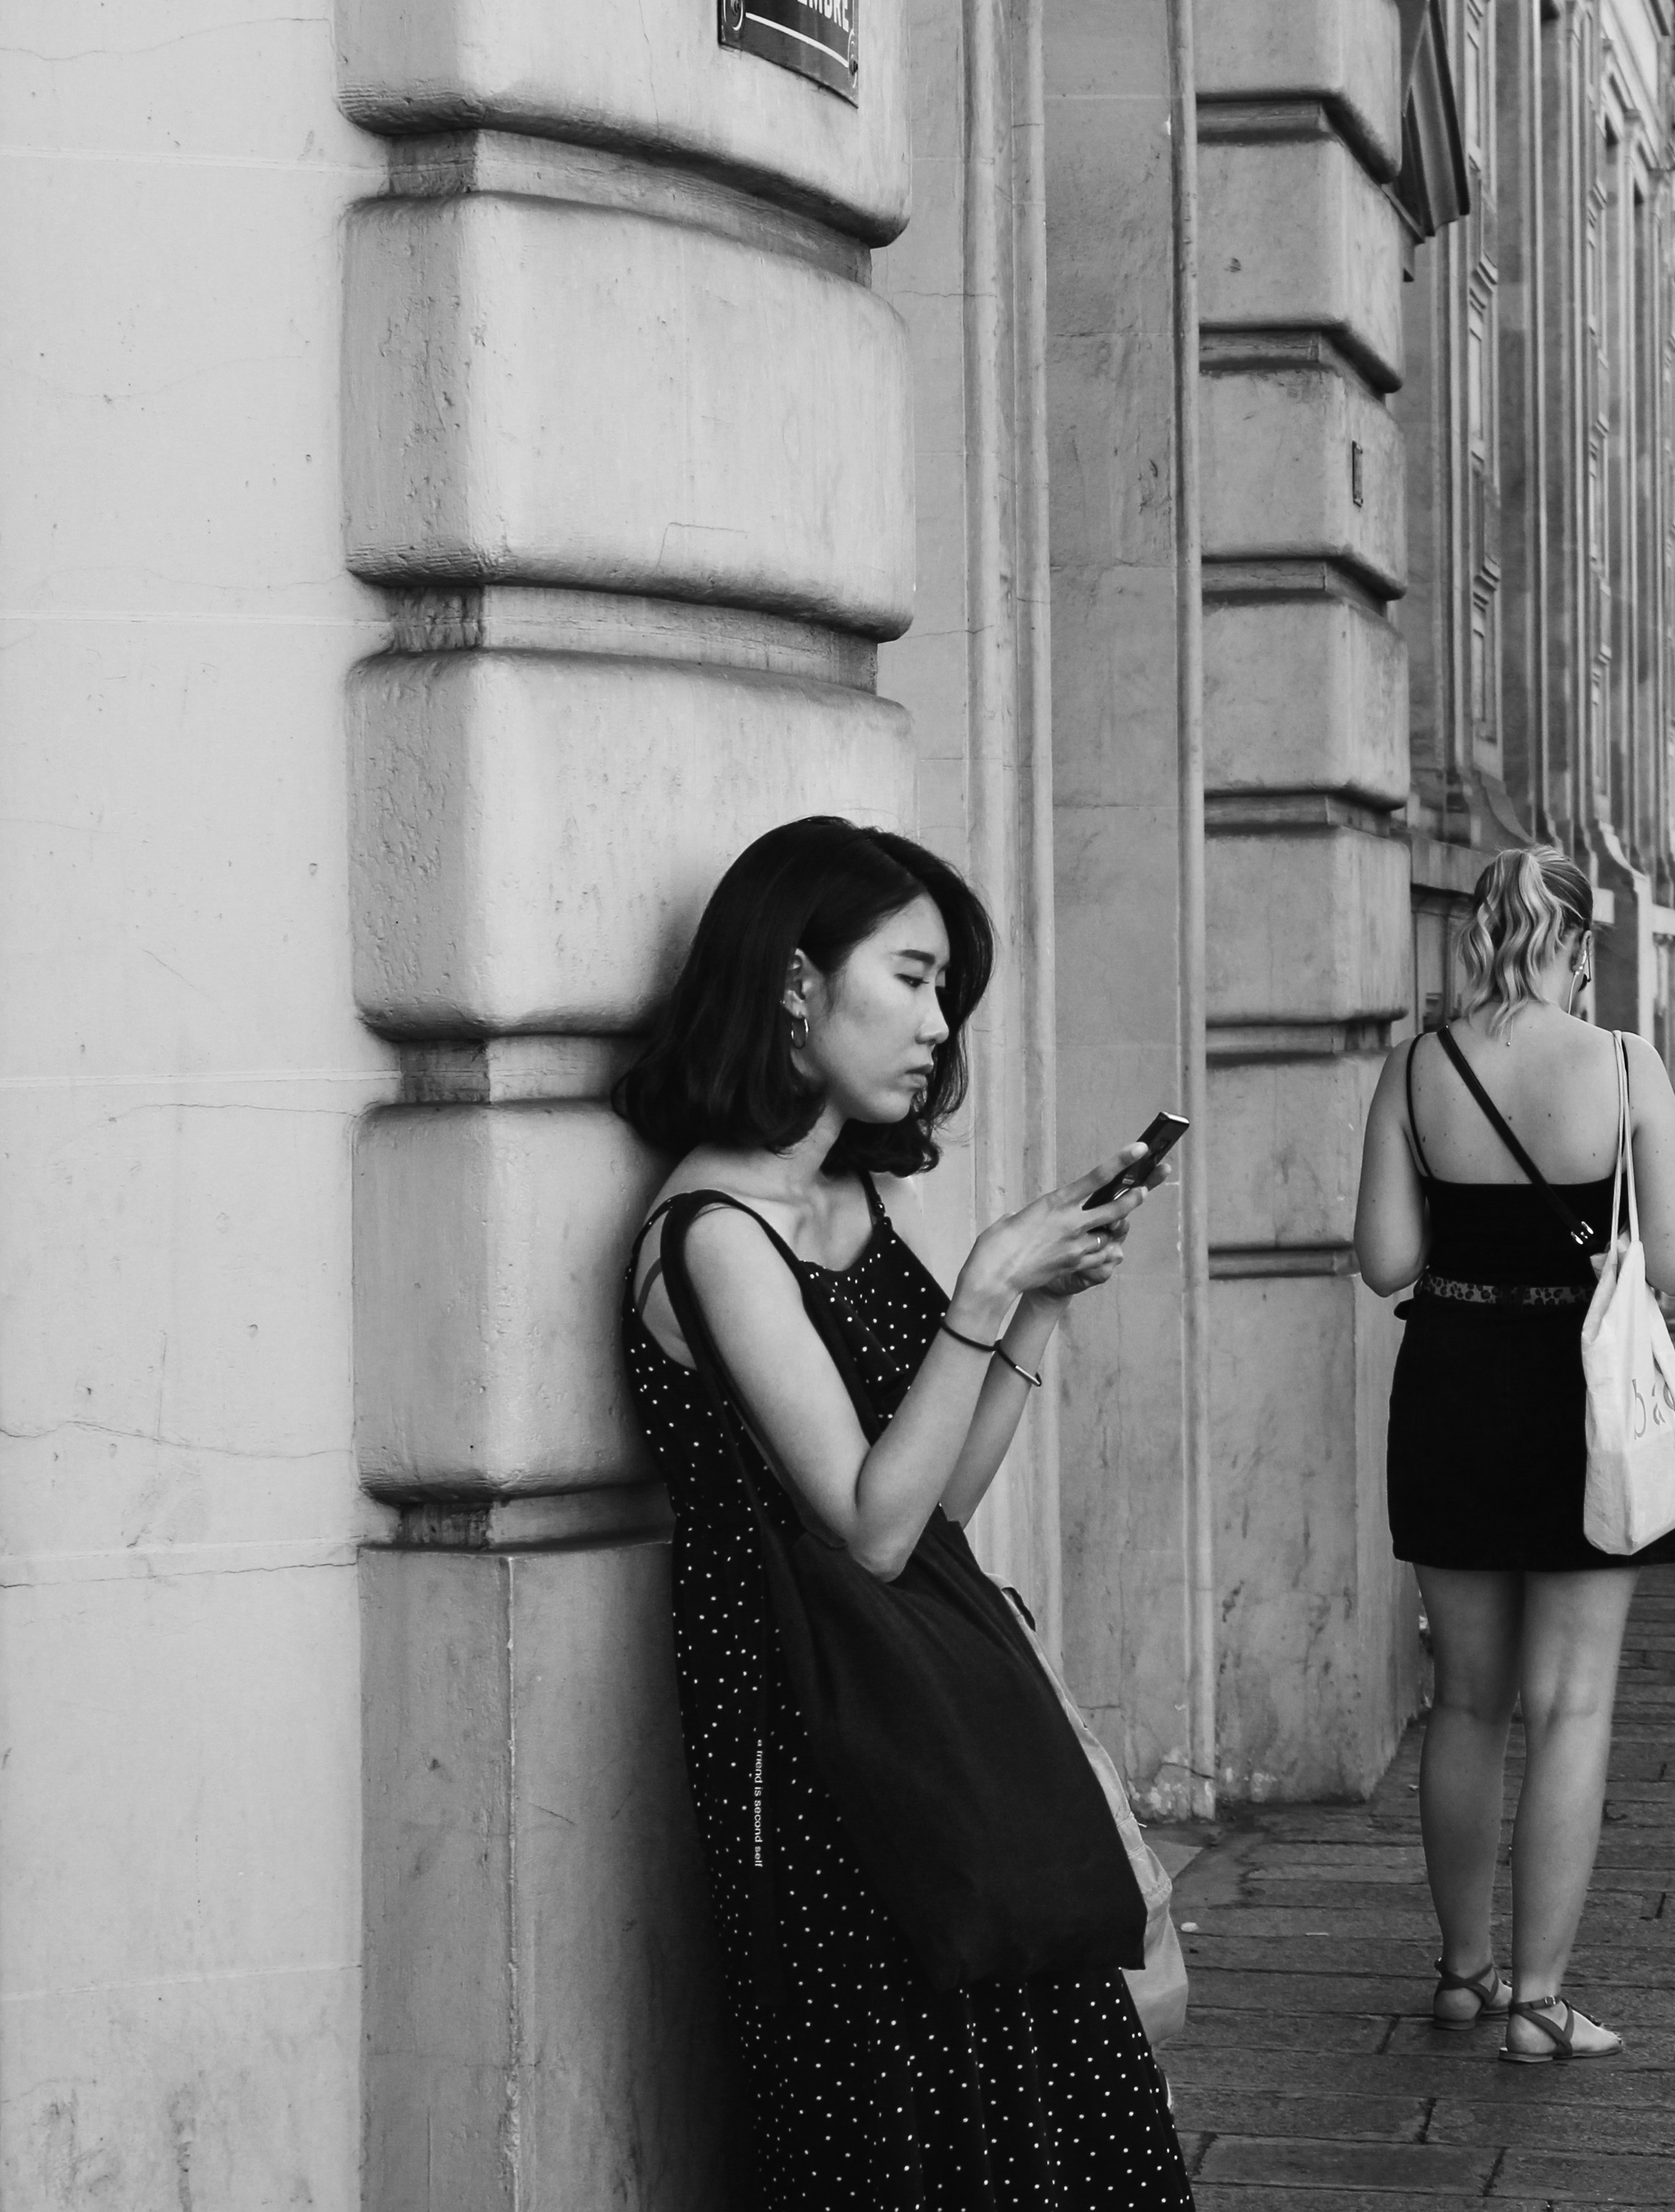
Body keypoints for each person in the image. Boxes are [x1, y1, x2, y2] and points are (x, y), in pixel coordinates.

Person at [612, 817, 1194, 2209]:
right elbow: (865, 1528)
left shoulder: (849, 1194)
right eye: (914, 978)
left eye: (948, 993)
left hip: (923, 1698)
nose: (939, 1024)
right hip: (813, 1741)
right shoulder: (712, 1231)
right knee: (896, 2111)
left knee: (1039, 2074)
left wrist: (1037, 1300)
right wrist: (987, 1285)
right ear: (798, 984)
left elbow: (939, 1501)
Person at [1353, 848, 1675, 2066]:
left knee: (1464, 1699)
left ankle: (1462, 1973)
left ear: (1474, 936)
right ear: (1576, 940)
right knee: (1570, 1704)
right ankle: (1543, 1999)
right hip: (1581, 1399)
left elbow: (1385, 1259)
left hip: (1448, 1385)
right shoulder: (1621, 1064)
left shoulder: (1415, 1065)